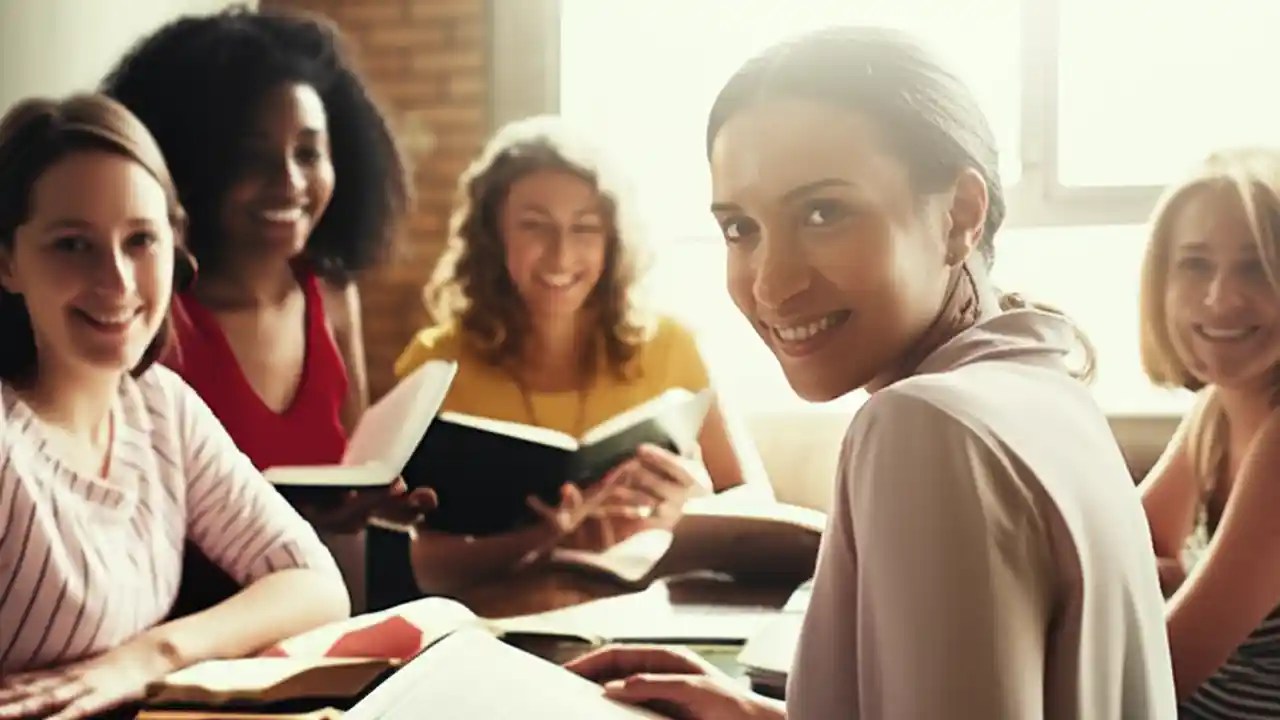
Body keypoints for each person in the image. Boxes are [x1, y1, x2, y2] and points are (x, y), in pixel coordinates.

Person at [566, 26, 1177, 719]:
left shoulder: (923, 425)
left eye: (823, 213)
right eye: (741, 228)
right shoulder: (1047, 390)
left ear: (960, 215)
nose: (771, 284)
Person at [0, 94, 349, 720]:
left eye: (140, 241)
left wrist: (149, 656)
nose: (118, 282)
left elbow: (315, 584)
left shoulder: (162, 409)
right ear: (7, 260)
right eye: (72, 245)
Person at [100, 7, 426, 613]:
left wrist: (364, 508)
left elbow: (346, 481)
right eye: (252, 158)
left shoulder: (332, 296)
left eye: (308, 153)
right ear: (189, 164)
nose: (288, 182)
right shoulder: (142, 312)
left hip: (318, 635)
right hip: (186, 653)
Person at [393, 115, 774, 597]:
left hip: (647, 613)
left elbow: (763, 507)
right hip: (498, 625)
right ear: (493, 234)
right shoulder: (436, 363)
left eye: (585, 229)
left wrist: (694, 509)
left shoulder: (671, 346)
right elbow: (420, 567)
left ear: (613, 241)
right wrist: (543, 540)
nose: (561, 255)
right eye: (536, 227)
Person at [1136, 148, 1280, 717]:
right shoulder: (1217, 408)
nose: (1221, 298)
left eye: (1258, 267)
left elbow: (1160, 670)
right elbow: (1125, 545)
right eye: (1195, 264)